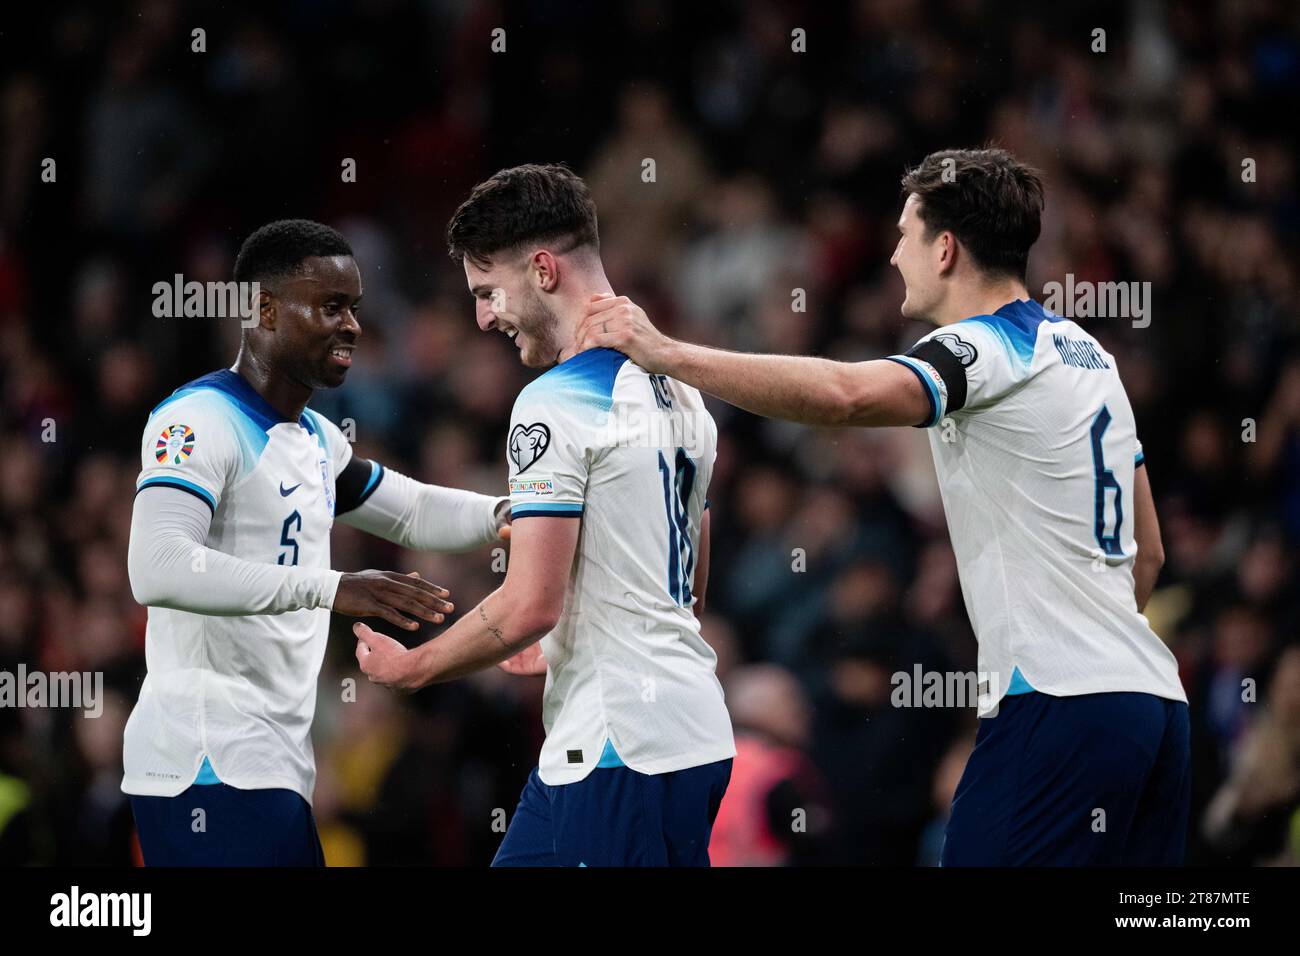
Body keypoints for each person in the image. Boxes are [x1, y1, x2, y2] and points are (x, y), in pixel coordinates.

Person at [575, 148, 1190, 866]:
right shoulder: (1090, 354)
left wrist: (667, 353)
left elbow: (846, 395)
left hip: (1058, 701)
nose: (896, 255)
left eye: (906, 235)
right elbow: (1147, 554)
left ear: (947, 248)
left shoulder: (982, 348)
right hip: (1153, 703)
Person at [354, 165, 735, 867]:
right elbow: (687, 577)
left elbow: (529, 603)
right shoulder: (682, 389)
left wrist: (416, 667)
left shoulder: (552, 403)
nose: (483, 316)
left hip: (624, 748)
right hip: (658, 732)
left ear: (542, 269)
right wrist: (576, 638)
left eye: (487, 292)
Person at [124, 219, 509, 866]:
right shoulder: (195, 421)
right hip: (204, 764)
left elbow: (412, 511)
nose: (353, 326)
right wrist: (331, 589)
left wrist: (521, 514)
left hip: (274, 767)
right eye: (331, 307)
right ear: (265, 309)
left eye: (354, 308)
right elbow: (156, 567)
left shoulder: (315, 441)